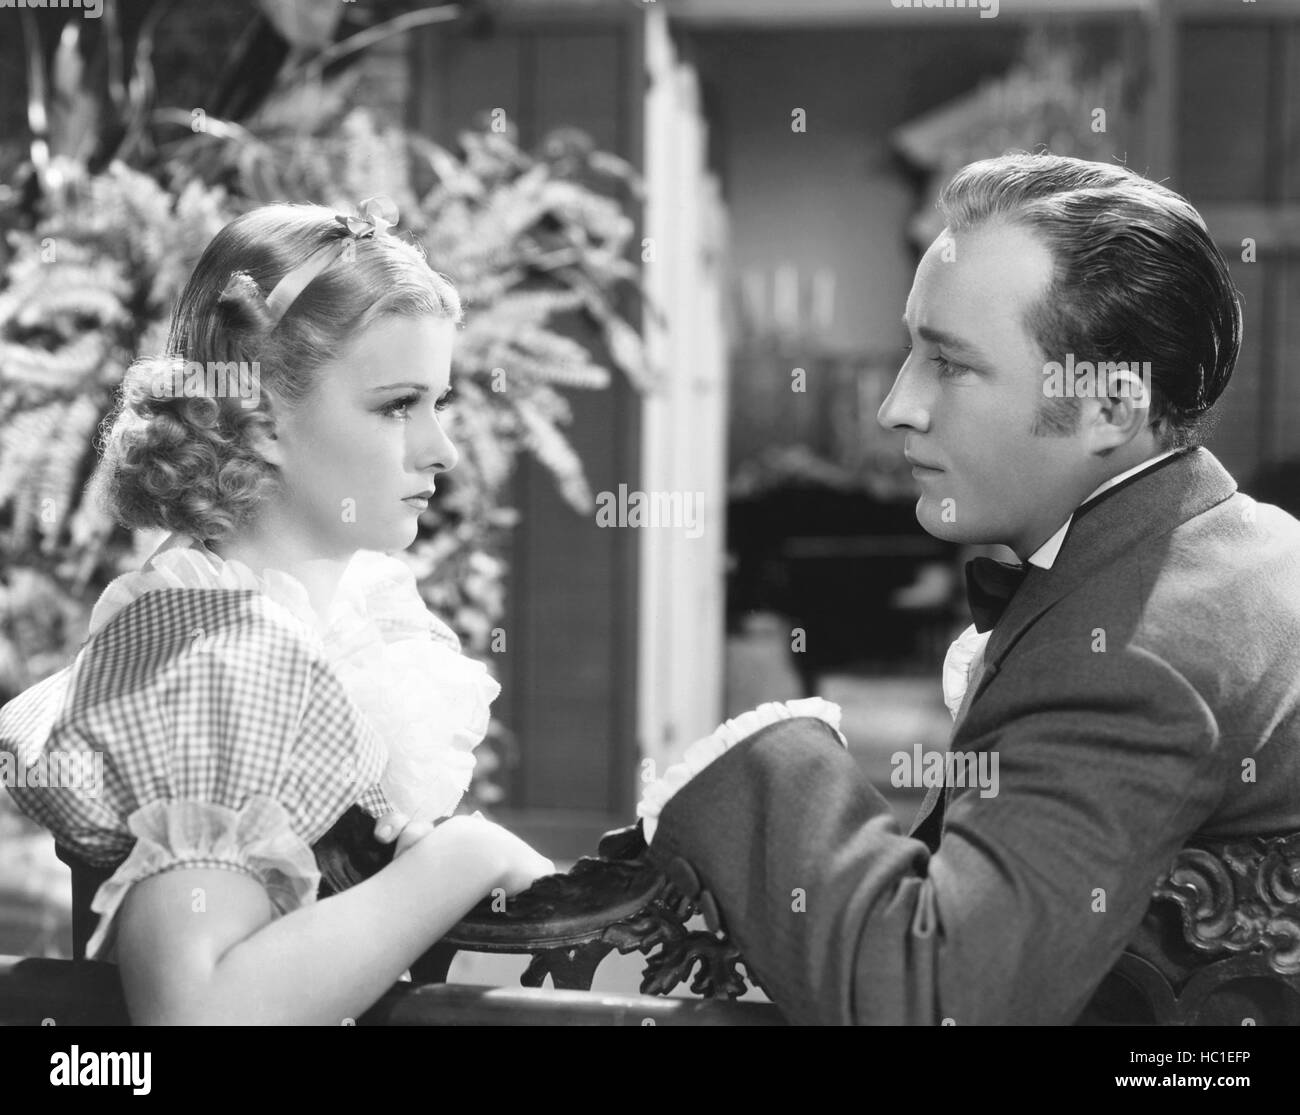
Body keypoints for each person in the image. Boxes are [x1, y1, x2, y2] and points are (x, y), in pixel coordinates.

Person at [637, 153, 1300, 1025]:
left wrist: (767, 751)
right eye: (912, 349)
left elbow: (931, 996)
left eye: (950, 364)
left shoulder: (1132, 654)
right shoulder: (1239, 541)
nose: (896, 407)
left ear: (1112, 406)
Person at [0, 198, 555, 1024]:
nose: (439, 449)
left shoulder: (306, 629)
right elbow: (197, 1013)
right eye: (397, 404)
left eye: (438, 403)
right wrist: (459, 860)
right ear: (259, 420)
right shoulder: (222, 657)